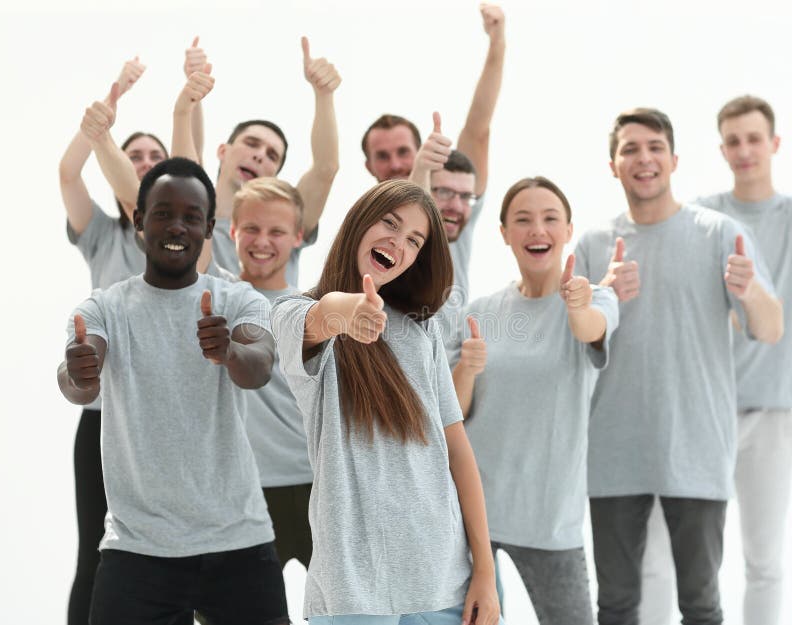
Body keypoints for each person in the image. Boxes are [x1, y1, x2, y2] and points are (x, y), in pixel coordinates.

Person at [57, 157, 288, 625]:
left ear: (208, 227)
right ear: (140, 221)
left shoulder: (238, 299)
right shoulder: (105, 307)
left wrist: (229, 353)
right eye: (163, 213)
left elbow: (258, 367)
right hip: (138, 549)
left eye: (191, 216)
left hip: (237, 541)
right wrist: (79, 372)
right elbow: (77, 379)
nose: (176, 226)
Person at [574, 107, 782, 625]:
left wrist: (748, 288)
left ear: (674, 159)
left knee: (701, 605)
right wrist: (602, 296)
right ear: (613, 165)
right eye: (630, 149)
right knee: (618, 605)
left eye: (654, 147)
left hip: (698, 450)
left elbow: (771, 328)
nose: (643, 158)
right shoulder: (593, 245)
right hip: (615, 453)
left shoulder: (718, 233)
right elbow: (576, 345)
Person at [271, 180, 502, 625]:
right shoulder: (293, 312)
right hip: (353, 591)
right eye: (390, 223)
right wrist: (352, 311)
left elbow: (457, 451)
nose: (398, 242)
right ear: (359, 222)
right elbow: (324, 315)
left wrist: (485, 573)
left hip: (444, 581)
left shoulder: (423, 330)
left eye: (414, 240)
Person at [639, 95, 792, 625]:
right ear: (721, 148)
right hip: (698, 413)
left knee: (765, 560)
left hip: (773, 412)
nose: (744, 150)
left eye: (755, 139)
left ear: (774, 144)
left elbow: (769, 322)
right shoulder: (704, 219)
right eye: (734, 140)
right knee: (659, 557)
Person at [450, 177, 618, 625]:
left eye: (550, 219)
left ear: (567, 230)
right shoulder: (481, 312)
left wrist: (579, 305)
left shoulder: (594, 297)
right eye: (522, 220)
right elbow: (456, 411)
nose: (536, 230)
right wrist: (466, 366)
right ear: (504, 233)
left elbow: (591, 329)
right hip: (474, 519)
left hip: (550, 523)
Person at [59, 56, 171, 625]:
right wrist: (96, 126)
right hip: (104, 417)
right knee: (96, 553)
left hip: (169, 417)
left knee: (173, 555)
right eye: (136, 156)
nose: (145, 164)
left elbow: (145, 194)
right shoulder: (102, 235)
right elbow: (68, 174)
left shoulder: (181, 238)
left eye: (157, 156)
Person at [362, 5, 505, 322]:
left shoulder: (446, 209)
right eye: (383, 157)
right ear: (369, 166)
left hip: (453, 366)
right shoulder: (362, 226)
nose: (396, 164)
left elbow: (477, 129)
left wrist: (497, 42)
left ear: (422, 153)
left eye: (404, 152)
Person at [172, 36, 340, 285]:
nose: (260, 154)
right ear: (223, 151)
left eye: (272, 155)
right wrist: (190, 99)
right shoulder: (197, 217)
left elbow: (326, 168)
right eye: (251, 143)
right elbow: (188, 165)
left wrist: (324, 95)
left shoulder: (284, 223)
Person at [230, 177, 314, 575]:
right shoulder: (214, 296)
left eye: (276, 231)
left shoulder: (313, 310)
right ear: (232, 230)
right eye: (252, 228)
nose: (262, 241)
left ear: (298, 236)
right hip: (241, 493)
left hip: (318, 488)